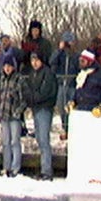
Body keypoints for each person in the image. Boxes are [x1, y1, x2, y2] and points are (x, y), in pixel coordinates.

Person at [23, 50, 57, 180]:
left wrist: (32, 98)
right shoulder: (33, 74)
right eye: (32, 60)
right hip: (36, 108)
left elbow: (44, 92)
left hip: (44, 108)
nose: (34, 63)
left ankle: (47, 171)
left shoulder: (47, 73)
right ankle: (44, 168)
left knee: (43, 139)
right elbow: (29, 89)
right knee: (39, 138)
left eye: (36, 60)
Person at [0, 51, 26, 177]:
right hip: (3, 115)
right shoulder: (1, 79)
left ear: (13, 67)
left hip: (14, 116)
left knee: (15, 142)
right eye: (5, 66)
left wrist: (18, 112)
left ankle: (15, 167)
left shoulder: (19, 80)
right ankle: (6, 166)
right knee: (5, 142)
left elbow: (23, 99)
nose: (7, 68)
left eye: (9, 66)